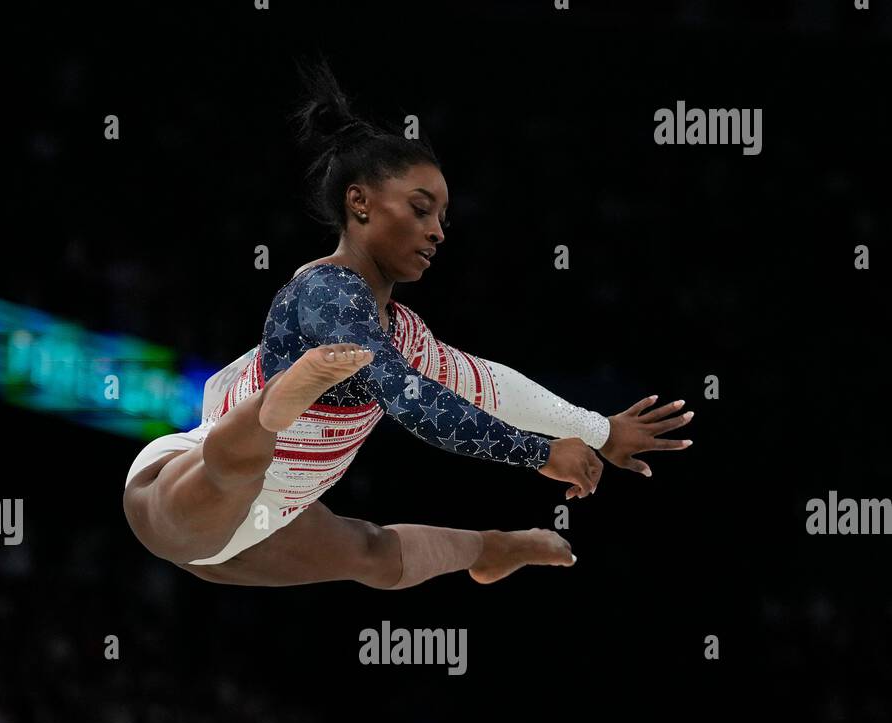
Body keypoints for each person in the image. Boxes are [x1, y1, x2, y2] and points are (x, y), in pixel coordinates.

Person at [123, 60, 692, 591]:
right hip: (179, 491)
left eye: (443, 217)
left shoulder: (402, 332)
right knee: (230, 477)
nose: (438, 231)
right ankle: (275, 404)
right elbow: (413, 401)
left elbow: (486, 386)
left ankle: (490, 548)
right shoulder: (327, 293)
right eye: (421, 209)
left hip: (248, 533)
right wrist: (537, 454)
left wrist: (600, 430)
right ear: (360, 203)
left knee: (374, 556)